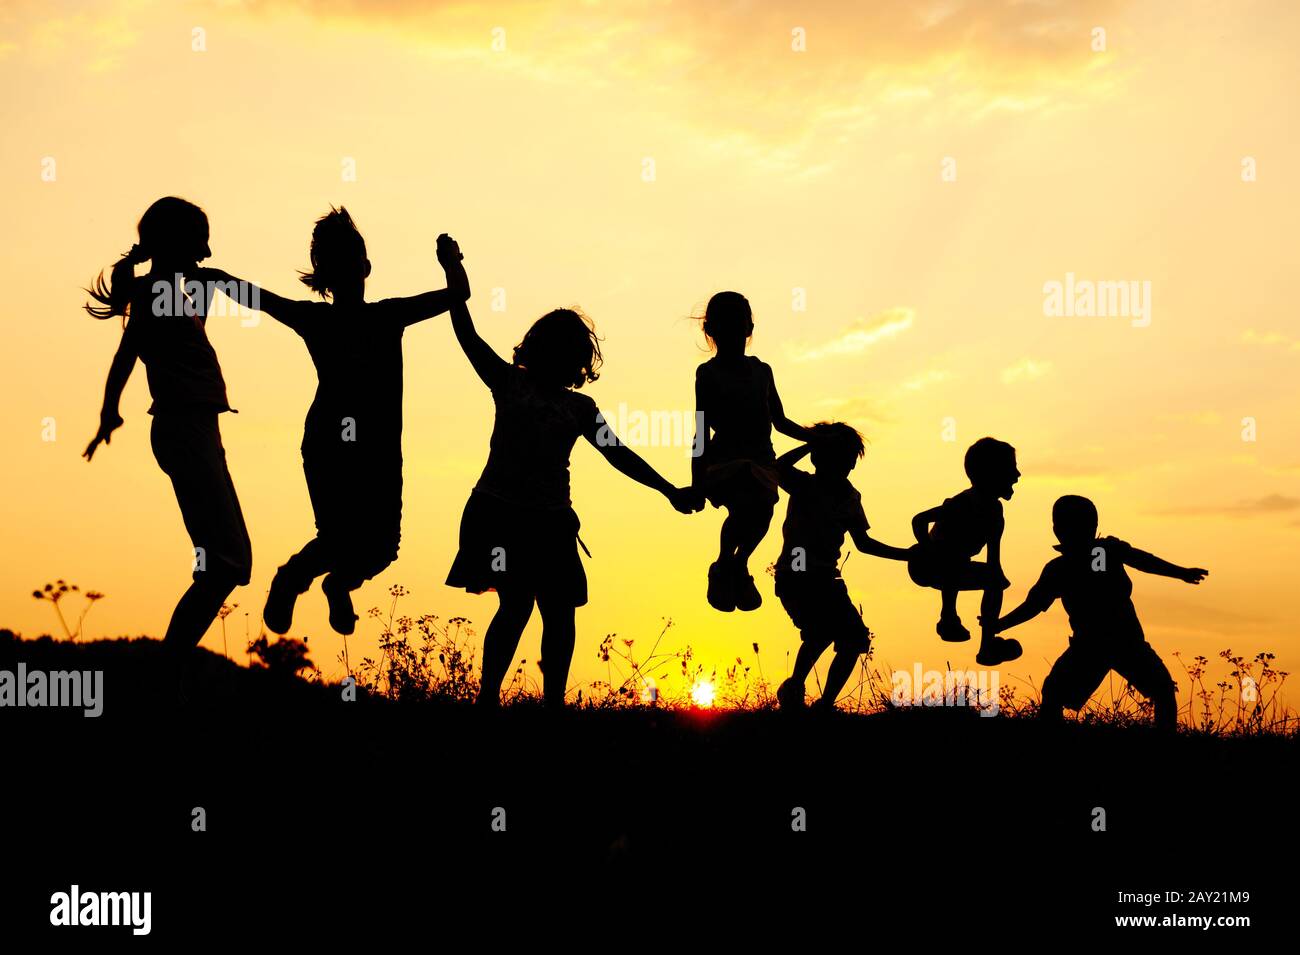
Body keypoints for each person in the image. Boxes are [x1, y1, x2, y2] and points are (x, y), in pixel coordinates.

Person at [443, 240, 701, 708]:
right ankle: (487, 700)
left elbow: (618, 454)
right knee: (518, 605)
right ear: (543, 351)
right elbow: (467, 334)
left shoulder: (578, 407)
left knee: (558, 612)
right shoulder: (510, 382)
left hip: (550, 521)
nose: (569, 362)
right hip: (501, 513)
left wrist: (667, 490)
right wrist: (452, 272)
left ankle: (553, 704)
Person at [202, 209, 470, 635]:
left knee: (372, 546)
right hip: (338, 445)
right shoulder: (361, 317)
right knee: (354, 542)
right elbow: (459, 294)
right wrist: (450, 260)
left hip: (365, 448)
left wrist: (218, 277)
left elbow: (257, 297)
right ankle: (299, 578)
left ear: (360, 268)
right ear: (347, 271)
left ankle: (333, 584)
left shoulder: (367, 317)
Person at [83, 197, 252, 686]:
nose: (207, 249)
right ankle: (165, 676)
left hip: (196, 430)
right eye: (199, 238)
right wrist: (109, 410)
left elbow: (159, 343)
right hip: (184, 431)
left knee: (228, 561)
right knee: (226, 562)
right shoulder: (159, 290)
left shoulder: (170, 291)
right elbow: (128, 351)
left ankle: (167, 673)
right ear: (176, 242)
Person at [987, 495, 1207, 731]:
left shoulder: (1093, 556)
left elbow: (1142, 561)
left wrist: (1180, 572)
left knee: (1162, 689)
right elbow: (1033, 605)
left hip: (1117, 642)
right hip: (1097, 645)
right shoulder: (1067, 566)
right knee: (1055, 691)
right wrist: (1000, 624)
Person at [772, 423, 911, 710]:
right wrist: (812, 442)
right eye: (839, 457)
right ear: (819, 458)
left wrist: (907, 555)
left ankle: (822, 701)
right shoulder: (803, 484)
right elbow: (778, 466)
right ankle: (796, 686)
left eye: (849, 459)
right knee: (821, 632)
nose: (847, 465)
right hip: (796, 575)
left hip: (825, 577)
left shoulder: (849, 496)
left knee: (853, 638)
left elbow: (864, 542)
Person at [690, 291, 811, 612]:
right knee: (745, 506)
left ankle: (735, 565)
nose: (733, 333)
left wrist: (814, 438)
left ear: (749, 328)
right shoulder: (708, 373)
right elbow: (701, 430)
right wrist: (696, 482)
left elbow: (781, 421)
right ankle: (725, 565)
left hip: (762, 459)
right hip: (725, 461)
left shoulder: (762, 371)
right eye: (724, 326)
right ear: (710, 331)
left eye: (738, 325)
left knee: (763, 514)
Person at [908, 437, 1023, 665]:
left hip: (953, 566)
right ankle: (948, 616)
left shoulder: (994, 510)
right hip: (927, 565)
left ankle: (987, 645)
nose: (1017, 474)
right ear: (991, 474)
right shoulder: (963, 504)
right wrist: (927, 549)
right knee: (953, 557)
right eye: (1011, 468)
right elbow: (919, 520)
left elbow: (994, 560)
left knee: (995, 579)